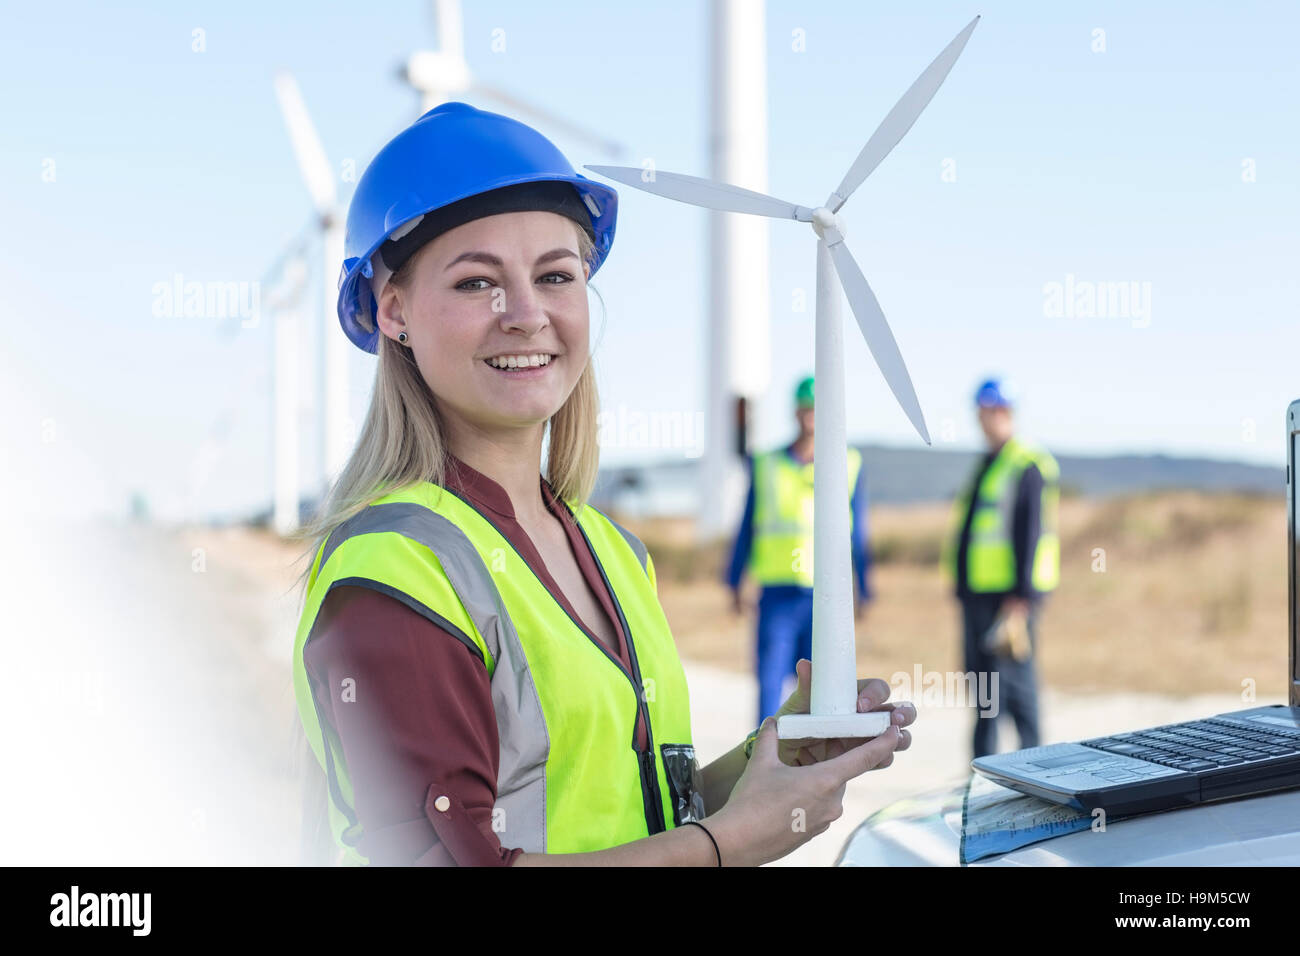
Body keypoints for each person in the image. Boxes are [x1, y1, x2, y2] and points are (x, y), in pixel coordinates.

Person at [289, 101, 916, 867]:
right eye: (476, 282)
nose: (524, 315)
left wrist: (773, 757)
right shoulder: (394, 575)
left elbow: (637, 808)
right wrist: (731, 844)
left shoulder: (613, 551)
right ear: (394, 312)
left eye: (556, 275)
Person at [725, 375, 873, 726]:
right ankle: (762, 759)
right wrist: (733, 580)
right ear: (795, 412)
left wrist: (863, 588)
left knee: (820, 691)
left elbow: (859, 532)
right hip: (777, 593)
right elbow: (747, 526)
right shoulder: (766, 464)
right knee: (770, 685)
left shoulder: (848, 464)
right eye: (806, 408)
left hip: (825, 596)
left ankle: (808, 766)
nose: (811, 416)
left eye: (817, 410)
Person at [942, 378, 1060, 760]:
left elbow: (1029, 533)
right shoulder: (987, 464)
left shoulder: (1025, 463)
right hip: (979, 594)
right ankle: (983, 773)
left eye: (990, 411)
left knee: (1015, 690)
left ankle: (1035, 768)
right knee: (983, 692)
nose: (983, 419)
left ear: (1006, 412)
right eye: (980, 412)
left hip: (1008, 598)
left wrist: (1020, 598)